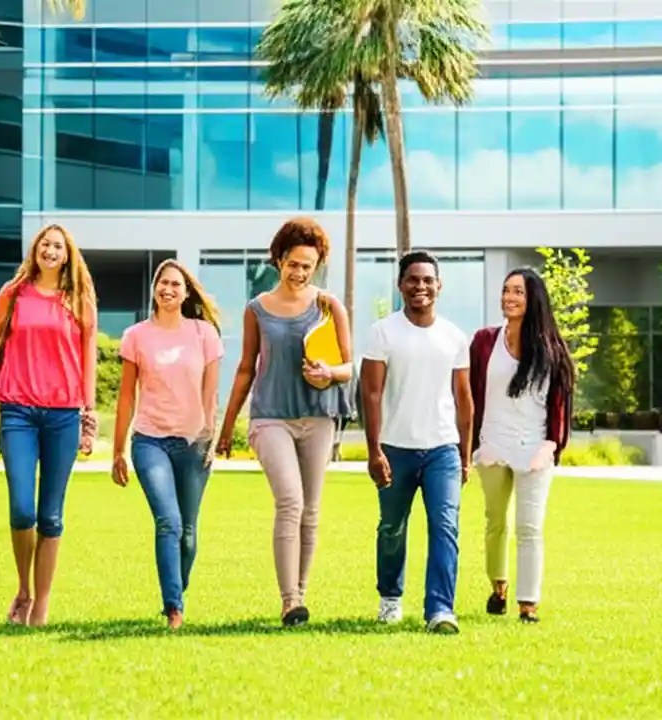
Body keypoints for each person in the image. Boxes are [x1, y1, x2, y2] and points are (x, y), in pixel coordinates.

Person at [215, 217, 354, 627]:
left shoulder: (329, 306)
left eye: (308, 266)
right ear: (279, 260)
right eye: (293, 264)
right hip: (270, 418)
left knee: (310, 510)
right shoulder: (256, 309)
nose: (299, 272)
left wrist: (329, 372)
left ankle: (301, 596)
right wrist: (228, 426)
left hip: (318, 417)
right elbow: (246, 368)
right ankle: (289, 599)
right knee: (290, 500)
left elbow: (349, 367)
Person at [0, 223, 98, 627]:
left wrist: (89, 416)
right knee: (22, 508)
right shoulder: (13, 294)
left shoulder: (79, 300)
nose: (50, 250)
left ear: (67, 255)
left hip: (63, 414)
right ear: (35, 249)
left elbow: (88, 359)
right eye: (45, 244)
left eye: (58, 246)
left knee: (51, 516)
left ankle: (41, 604)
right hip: (18, 412)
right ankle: (23, 590)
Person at [360, 250, 474, 634]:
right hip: (395, 449)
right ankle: (390, 597)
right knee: (392, 527)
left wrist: (465, 455)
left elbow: (464, 400)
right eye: (413, 280)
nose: (420, 286)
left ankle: (440, 609)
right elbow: (371, 394)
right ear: (400, 285)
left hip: (442, 449)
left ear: (439, 286)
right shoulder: (382, 333)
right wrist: (374, 451)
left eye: (427, 280)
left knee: (445, 526)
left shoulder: (453, 337)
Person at [111, 260, 224, 630]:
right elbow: (126, 397)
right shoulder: (136, 336)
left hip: (194, 443)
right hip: (150, 441)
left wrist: (210, 437)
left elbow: (211, 393)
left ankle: (177, 589)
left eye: (176, 284)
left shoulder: (204, 334)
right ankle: (174, 607)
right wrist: (118, 451)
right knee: (168, 522)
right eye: (163, 283)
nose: (168, 289)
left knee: (188, 535)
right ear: (154, 289)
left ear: (186, 292)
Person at [469, 268, 574, 624]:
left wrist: (551, 445)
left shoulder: (552, 349)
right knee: (496, 522)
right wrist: (471, 447)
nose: (509, 297)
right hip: (492, 444)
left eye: (518, 292)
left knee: (530, 527)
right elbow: (470, 396)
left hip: (535, 448)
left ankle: (528, 604)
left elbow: (560, 404)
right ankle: (498, 586)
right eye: (506, 290)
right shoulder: (484, 341)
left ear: (533, 299)